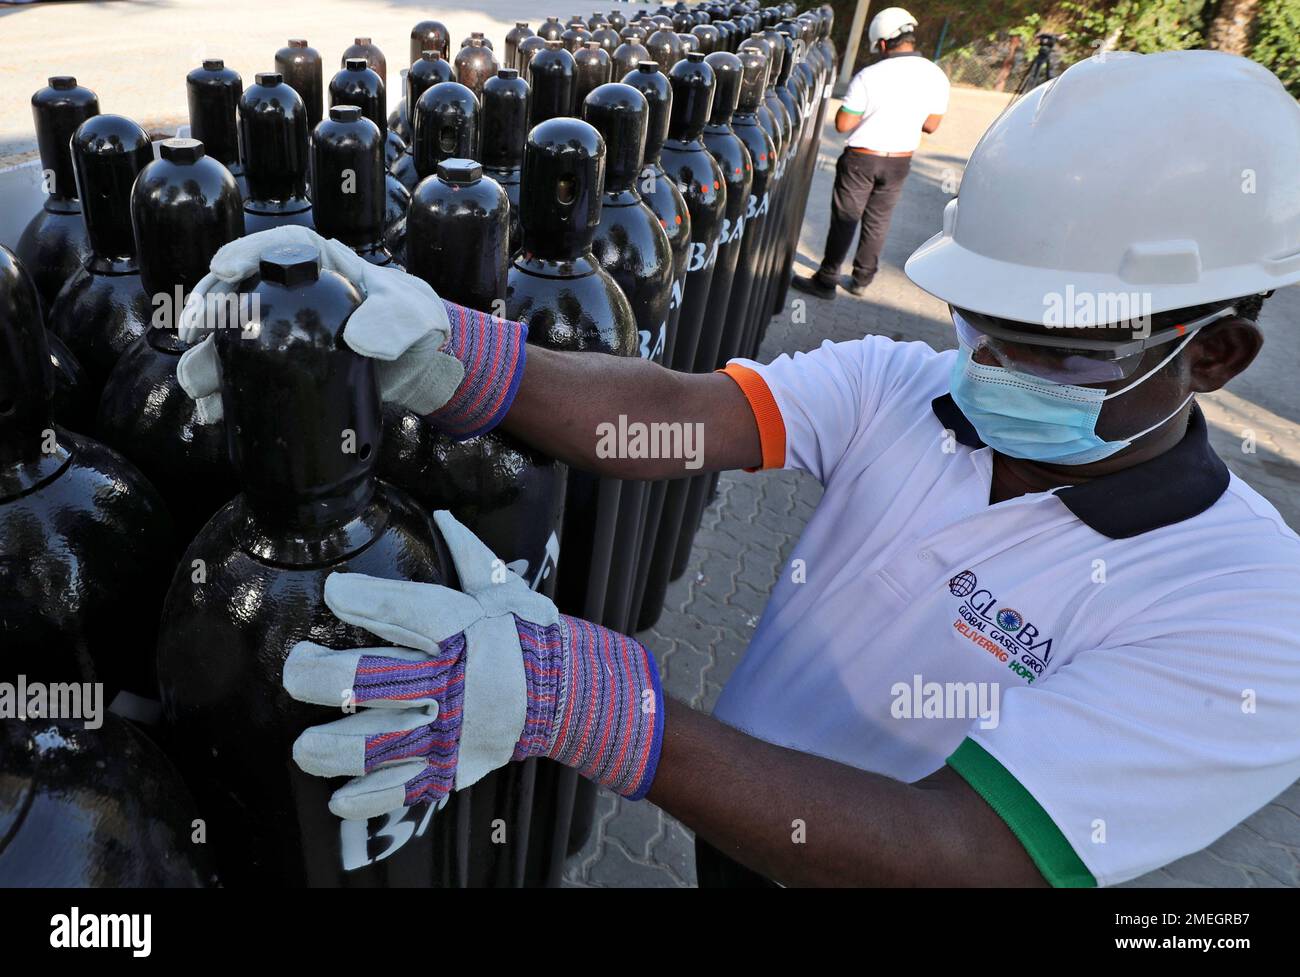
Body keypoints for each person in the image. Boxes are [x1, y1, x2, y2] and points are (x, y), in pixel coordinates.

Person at [179, 50, 1300, 887]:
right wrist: (453, 359)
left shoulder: (1249, 618)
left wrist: (601, 711)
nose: (989, 365)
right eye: (978, 323)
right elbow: (668, 421)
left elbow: (965, 847)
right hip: (737, 828)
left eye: (1048, 345)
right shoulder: (906, 390)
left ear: (1211, 351)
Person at [790, 6, 949, 300]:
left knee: (846, 217)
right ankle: (862, 279)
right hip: (900, 161)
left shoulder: (870, 75)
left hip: (862, 159)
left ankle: (826, 280)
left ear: (885, 43)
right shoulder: (935, 75)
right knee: (878, 221)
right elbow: (931, 125)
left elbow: (843, 123)